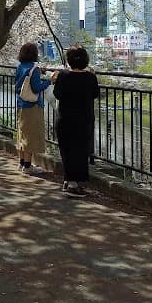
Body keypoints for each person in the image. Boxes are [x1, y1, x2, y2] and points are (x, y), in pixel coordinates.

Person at [51, 45, 100, 198]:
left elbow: (57, 94)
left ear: (69, 60)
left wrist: (54, 80)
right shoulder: (90, 77)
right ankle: (75, 183)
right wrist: (92, 76)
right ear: (85, 60)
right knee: (81, 151)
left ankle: (69, 181)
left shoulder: (63, 76)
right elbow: (95, 94)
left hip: (64, 119)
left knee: (66, 150)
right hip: (84, 120)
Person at [15, 42, 50, 175]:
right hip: (33, 106)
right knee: (30, 135)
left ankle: (22, 163)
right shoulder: (33, 69)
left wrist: (38, 72)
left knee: (22, 133)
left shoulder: (20, 67)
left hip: (21, 104)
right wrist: (49, 81)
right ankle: (28, 166)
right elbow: (36, 88)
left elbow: (21, 84)